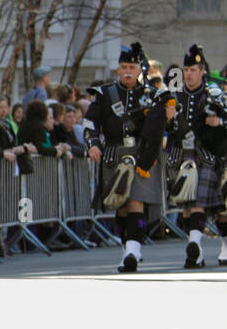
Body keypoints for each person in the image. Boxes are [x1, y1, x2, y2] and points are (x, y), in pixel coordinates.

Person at [83, 42, 163, 274]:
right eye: (124, 66)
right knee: (122, 207)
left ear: (139, 70)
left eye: (132, 66)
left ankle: (132, 251)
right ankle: (127, 246)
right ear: (118, 69)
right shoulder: (105, 94)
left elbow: (159, 128)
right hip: (114, 154)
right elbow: (90, 123)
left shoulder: (152, 95)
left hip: (141, 154)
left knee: (136, 201)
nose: (128, 70)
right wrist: (93, 144)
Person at [166, 45, 227, 268]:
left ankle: (197, 246)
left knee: (204, 204)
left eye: (192, 69)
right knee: (187, 205)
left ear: (202, 71)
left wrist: (220, 122)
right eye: (186, 70)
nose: (188, 74)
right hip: (181, 154)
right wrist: (169, 120)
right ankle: (197, 251)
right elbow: (163, 128)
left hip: (208, 155)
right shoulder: (174, 96)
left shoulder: (214, 94)